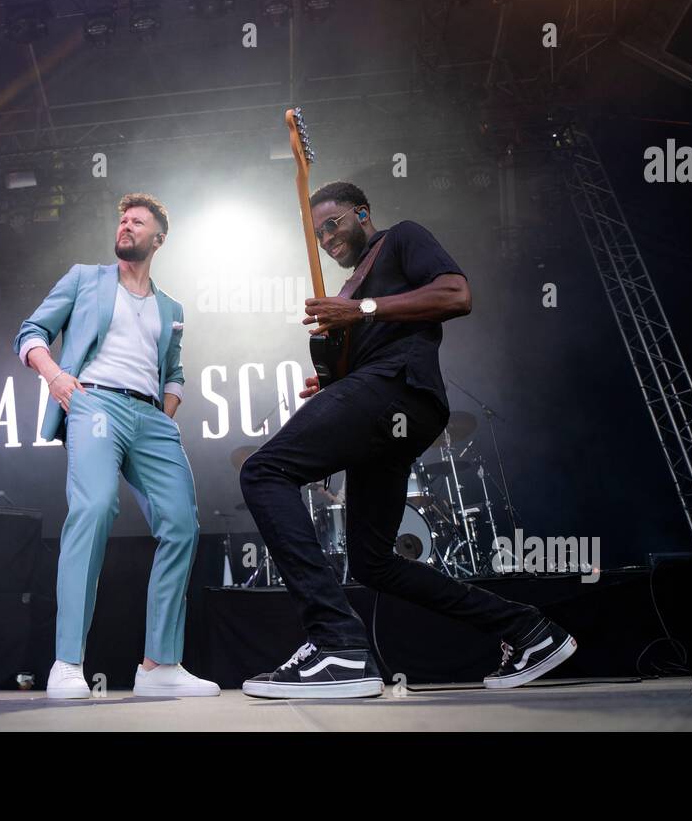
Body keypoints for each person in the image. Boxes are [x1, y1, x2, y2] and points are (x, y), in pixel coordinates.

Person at [238, 181, 576, 698]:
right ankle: (528, 630)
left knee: (263, 472)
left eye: (333, 223)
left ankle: (338, 646)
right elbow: (359, 352)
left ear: (363, 214)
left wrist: (362, 311)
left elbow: (456, 294)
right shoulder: (352, 285)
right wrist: (331, 382)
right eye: (316, 232)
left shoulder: (400, 240)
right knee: (374, 563)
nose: (326, 237)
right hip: (383, 404)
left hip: (398, 390)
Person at [13, 193, 218, 699]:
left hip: (151, 418)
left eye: (138, 221)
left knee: (182, 525)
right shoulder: (85, 278)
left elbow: (175, 373)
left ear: (158, 239)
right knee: (95, 507)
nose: (126, 226)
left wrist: (163, 414)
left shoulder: (171, 308)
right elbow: (31, 332)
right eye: (122, 219)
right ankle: (67, 663)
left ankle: (159, 666)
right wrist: (56, 377)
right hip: (95, 403)